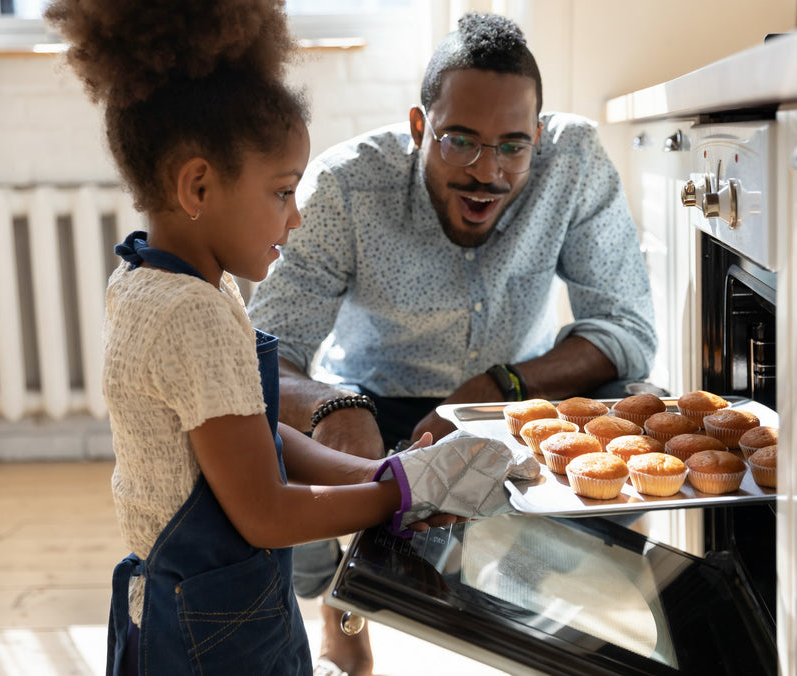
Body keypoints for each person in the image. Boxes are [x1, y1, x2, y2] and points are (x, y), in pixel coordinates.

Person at [44, 2, 538, 674]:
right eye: (283, 192)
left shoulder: (154, 279)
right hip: (212, 631)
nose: (297, 216)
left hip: (196, 599)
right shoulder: (193, 314)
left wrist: (378, 474)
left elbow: (246, 431)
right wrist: (405, 494)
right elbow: (265, 513)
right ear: (198, 185)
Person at [247, 11, 658, 676]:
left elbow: (626, 328)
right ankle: (339, 599)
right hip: (370, 407)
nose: (486, 172)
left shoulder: (574, 161)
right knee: (259, 438)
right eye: (460, 141)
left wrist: (498, 387)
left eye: (512, 146)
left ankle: (543, 606)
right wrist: (332, 408)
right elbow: (262, 353)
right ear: (420, 128)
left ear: (539, 136)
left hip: (513, 403)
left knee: (632, 402)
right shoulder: (344, 187)